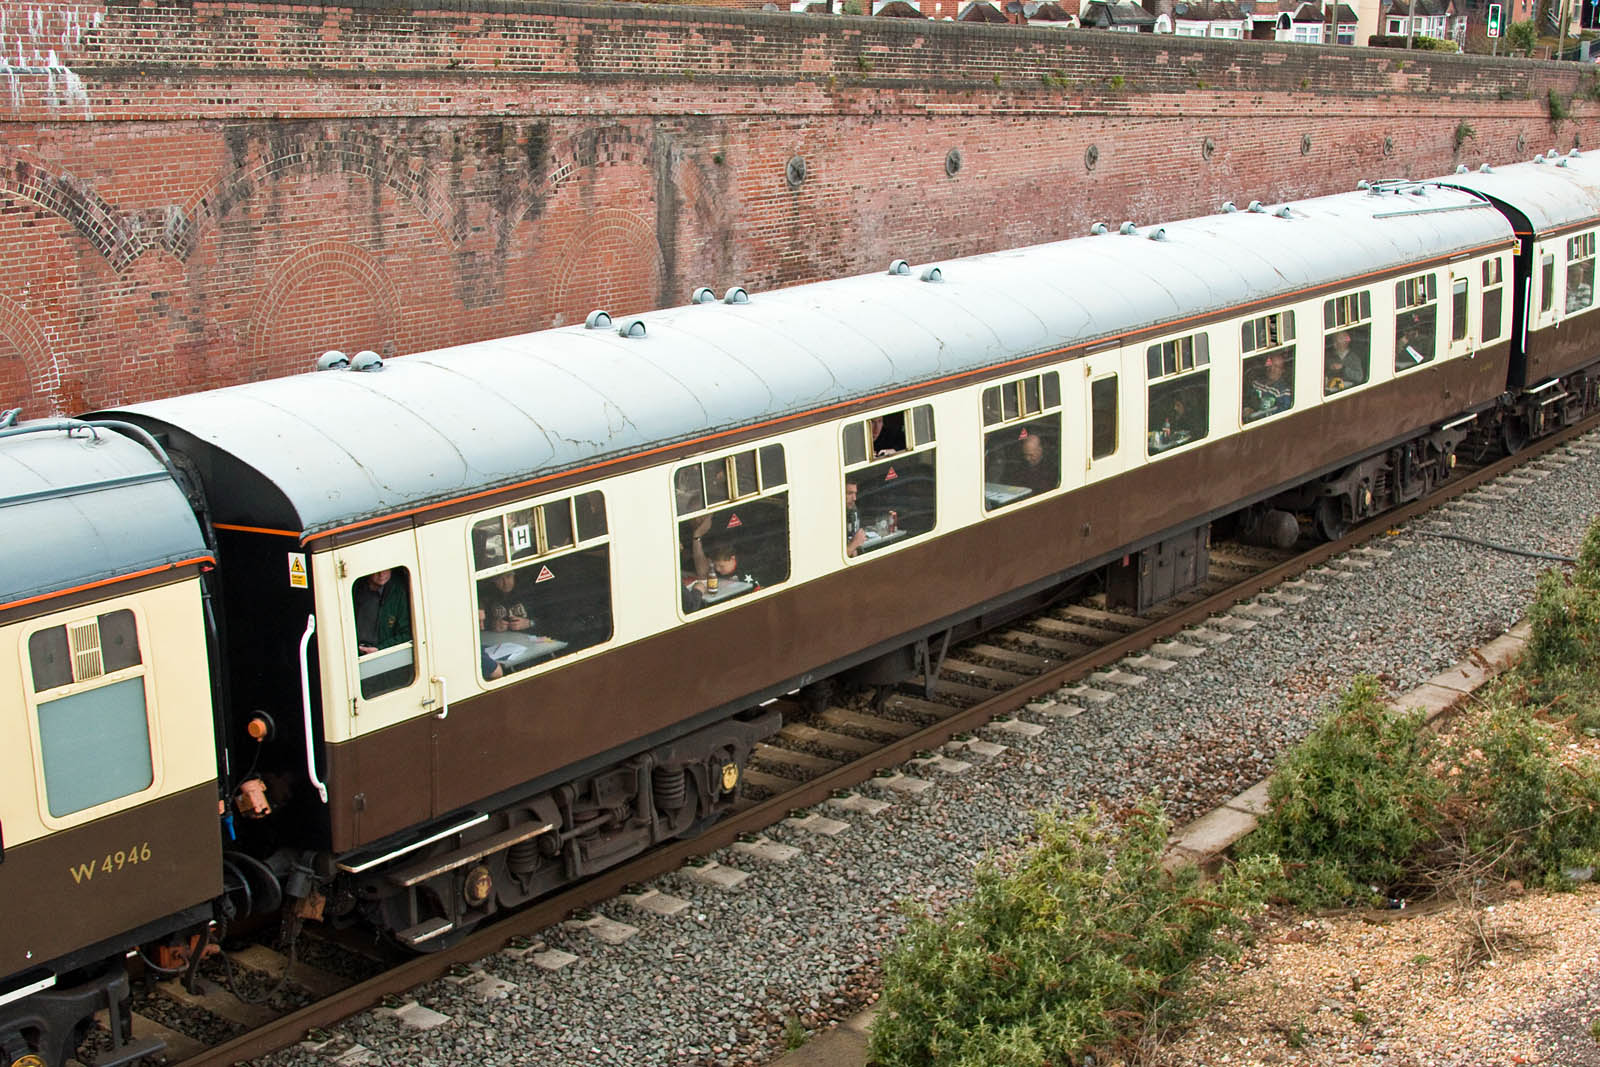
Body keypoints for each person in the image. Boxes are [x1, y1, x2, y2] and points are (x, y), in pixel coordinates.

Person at [354, 568, 410, 654]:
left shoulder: (398, 592)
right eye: (376, 570)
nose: (381, 574)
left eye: (385, 569)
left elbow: (407, 634)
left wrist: (380, 649)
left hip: (384, 656)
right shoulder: (355, 589)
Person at [1246, 353, 1292, 420]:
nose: (1272, 369)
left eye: (1276, 367)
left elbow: (1282, 413)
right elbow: (1247, 399)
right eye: (1270, 365)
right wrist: (1247, 408)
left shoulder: (1284, 391)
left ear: (1282, 370)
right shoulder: (1256, 383)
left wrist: (1258, 414)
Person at [845, 480, 868, 557]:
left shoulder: (852, 509)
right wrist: (854, 544)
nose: (854, 498)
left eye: (855, 493)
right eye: (849, 493)